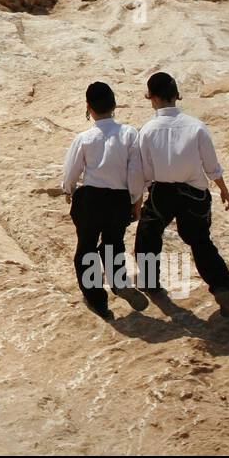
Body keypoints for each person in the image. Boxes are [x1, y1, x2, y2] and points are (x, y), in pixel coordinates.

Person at [134, 72, 229, 317]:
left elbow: (145, 171)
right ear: (176, 96)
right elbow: (211, 165)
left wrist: (139, 200)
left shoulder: (147, 130)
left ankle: (150, 283)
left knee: (148, 235)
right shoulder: (196, 126)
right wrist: (223, 190)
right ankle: (221, 288)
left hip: (162, 191)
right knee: (200, 241)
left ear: (153, 98)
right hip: (194, 193)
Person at [61, 81, 148, 319]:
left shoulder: (84, 138)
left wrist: (68, 190)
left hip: (89, 199)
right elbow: (135, 172)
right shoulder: (130, 134)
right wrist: (135, 200)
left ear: (88, 107)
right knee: (113, 244)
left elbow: (71, 172)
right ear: (114, 105)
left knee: (86, 248)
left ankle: (97, 300)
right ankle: (118, 281)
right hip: (119, 200)